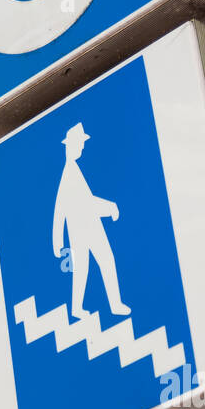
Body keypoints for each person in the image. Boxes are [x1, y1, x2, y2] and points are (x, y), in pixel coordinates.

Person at [52, 122, 130, 320]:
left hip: (90, 227)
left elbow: (85, 201)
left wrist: (108, 207)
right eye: (80, 143)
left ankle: (110, 304)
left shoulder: (73, 170)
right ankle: (80, 308)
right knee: (88, 266)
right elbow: (61, 208)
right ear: (71, 145)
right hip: (82, 230)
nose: (83, 147)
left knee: (102, 262)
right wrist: (57, 241)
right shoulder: (69, 172)